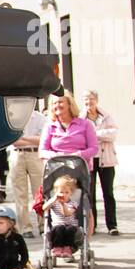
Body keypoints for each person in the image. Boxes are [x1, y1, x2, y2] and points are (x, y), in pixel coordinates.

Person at [40, 89, 98, 234]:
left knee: (84, 203)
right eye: (54, 103)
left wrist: (77, 154)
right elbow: (42, 151)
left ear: (69, 104)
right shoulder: (49, 127)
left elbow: (94, 148)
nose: (57, 105)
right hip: (56, 172)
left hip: (79, 170)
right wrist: (57, 155)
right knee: (53, 199)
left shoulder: (84, 125)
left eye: (60, 102)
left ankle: (85, 237)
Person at [83, 90, 121, 236]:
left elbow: (113, 134)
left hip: (107, 159)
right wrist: (101, 135)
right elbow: (82, 137)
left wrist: (94, 135)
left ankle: (112, 225)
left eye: (91, 99)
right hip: (90, 159)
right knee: (90, 193)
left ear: (96, 100)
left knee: (108, 193)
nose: (89, 102)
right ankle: (93, 225)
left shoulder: (106, 116)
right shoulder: (81, 118)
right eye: (86, 100)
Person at [10, 102, 47, 237]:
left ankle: (43, 224)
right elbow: (12, 140)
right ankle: (25, 227)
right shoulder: (13, 118)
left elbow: (43, 139)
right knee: (20, 193)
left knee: (40, 190)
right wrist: (32, 139)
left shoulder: (40, 118)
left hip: (35, 154)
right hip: (17, 154)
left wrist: (23, 138)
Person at [46, 175, 81, 257]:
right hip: (57, 226)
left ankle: (67, 248)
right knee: (59, 228)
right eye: (61, 192)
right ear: (56, 192)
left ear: (71, 193)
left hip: (70, 226)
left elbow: (67, 213)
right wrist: (54, 199)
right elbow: (44, 208)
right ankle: (57, 247)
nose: (64, 194)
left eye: (66, 192)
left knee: (70, 229)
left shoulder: (73, 204)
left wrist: (62, 204)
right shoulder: (54, 202)